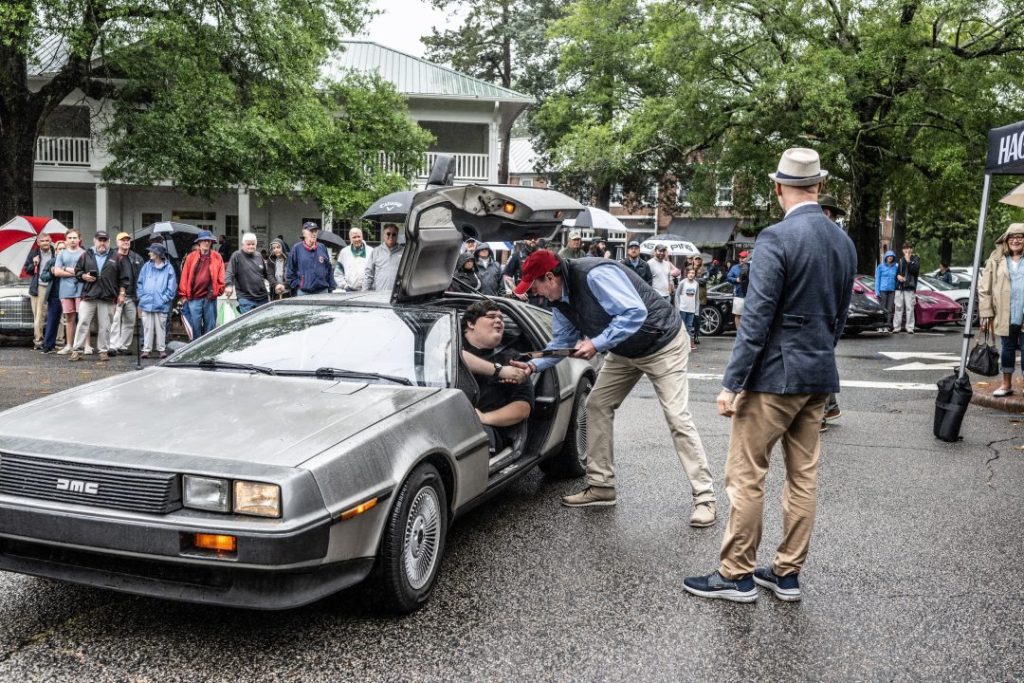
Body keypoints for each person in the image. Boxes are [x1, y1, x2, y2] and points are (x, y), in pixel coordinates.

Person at [683, 147, 856, 603]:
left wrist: (731, 382)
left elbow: (756, 319)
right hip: (819, 372)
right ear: (819, 186)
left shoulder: (775, 238)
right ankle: (786, 573)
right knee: (803, 478)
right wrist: (820, 350)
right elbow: (839, 316)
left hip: (773, 377)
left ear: (778, 187)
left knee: (746, 476)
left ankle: (736, 573)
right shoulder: (844, 241)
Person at [510, 250, 717, 526]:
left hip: (662, 343)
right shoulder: (559, 300)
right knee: (596, 404)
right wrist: (533, 366)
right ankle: (601, 486)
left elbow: (634, 312)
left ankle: (705, 497)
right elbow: (561, 342)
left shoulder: (594, 275)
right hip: (624, 350)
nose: (534, 292)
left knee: (677, 417)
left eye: (534, 285)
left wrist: (596, 343)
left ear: (550, 276)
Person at [460, 301, 534, 453]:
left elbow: (522, 408)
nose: (499, 320)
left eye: (501, 317)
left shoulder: (512, 360)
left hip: (484, 433)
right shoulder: (449, 345)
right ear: (471, 323)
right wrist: (498, 371)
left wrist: (485, 418)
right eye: (491, 316)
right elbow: (450, 355)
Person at [979, 223, 1024, 397]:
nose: (1016, 240)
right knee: (1007, 349)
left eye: (1020, 237)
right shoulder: (996, 260)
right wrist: (986, 313)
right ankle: (1006, 384)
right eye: (1012, 237)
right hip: (1005, 313)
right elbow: (985, 288)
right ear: (1006, 240)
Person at [71, 231, 126, 362]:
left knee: (105, 326)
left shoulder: (117, 256)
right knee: (83, 323)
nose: (102, 243)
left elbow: (123, 278)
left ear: (109, 242)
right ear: (94, 241)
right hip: (89, 295)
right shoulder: (86, 255)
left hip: (107, 296)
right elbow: (77, 271)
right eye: (99, 240)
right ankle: (77, 350)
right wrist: (83, 276)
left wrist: (122, 293)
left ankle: (103, 351)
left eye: (104, 240)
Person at [818, 196, 847, 431]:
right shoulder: (842, 240)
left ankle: (820, 414)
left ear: (825, 213)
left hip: (819, 308)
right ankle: (830, 407)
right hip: (831, 310)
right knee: (824, 357)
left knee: (817, 360)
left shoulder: (825, 239)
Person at [177, 230, 226, 338]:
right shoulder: (191, 257)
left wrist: (218, 290)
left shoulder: (217, 256)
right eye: (203, 241)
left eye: (208, 241)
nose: (206, 243)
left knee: (210, 327)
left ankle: (210, 349)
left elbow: (221, 276)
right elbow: (184, 276)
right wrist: (183, 295)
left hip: (210, 298)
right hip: (194, 298)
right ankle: (195, 350)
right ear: (199, 242)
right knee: (195, 327)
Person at [137, 243, 177, 358]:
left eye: (151, 251)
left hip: (161, 304)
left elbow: (172, 287)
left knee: (161, 327)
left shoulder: (169, 268)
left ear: (158, 254)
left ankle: (161, 350)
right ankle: (146, 350)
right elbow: (140, 283)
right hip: (146, 303)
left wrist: (164, 299)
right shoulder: (146, 266)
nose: (149, 253)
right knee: (147, 327)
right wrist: (142, 296)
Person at [109, 231, 144, 355]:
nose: (126, 242)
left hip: (132, 296)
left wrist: (139, 296)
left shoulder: (137, 258)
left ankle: (123, 347)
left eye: (128, 240)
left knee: (129, 322)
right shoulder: (111, 256)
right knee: (115, 321)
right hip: (115, 295)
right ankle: (112, 346)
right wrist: (117, 293)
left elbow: (141, 278)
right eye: (123, 240)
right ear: (117, 242)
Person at [52, 229, 85, 355]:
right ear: (66, 240)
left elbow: (85, 271)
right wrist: (76, 273)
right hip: (65, 290)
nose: (72, 240)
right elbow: (57, 271)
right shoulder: (62, 254)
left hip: (81, 290)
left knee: (83, 318)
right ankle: (69, 345)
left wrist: (66, 270)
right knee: (69, 318)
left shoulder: (84, 254)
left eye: (74, 237)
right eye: (70, 238)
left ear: (79, 239)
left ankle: (83, 345)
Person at [24, 233, 56, 350]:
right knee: (39, 315)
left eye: (47, 240)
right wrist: (34, 264)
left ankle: (58, 340)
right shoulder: (34, 253)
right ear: (38, 243)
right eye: (42, 241)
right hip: (40, 286)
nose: (45, 243)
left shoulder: (55, 252)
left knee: (57, 314)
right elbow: (27, 270)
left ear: (51, 241)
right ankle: (39, 340)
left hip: (54, 286)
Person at [287, 221, 336, 296]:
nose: (314, 233)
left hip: (323, 291)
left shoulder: (322, 247)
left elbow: (328, 268)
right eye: (311, 231)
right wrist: (298, 284)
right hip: (303, 292)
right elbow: (290, 271)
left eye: (315, 231)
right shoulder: (296, 248)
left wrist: (331, 287)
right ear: (304, 233)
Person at [225, 232, 270, 313]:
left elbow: (266, 274)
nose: (251, 246)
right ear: (243, 245)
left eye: (253, 244)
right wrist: (229, 285)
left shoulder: (259, 255)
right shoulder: (236, 256)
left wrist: (276, 283)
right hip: (246, 298)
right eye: (248, 244)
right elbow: (229, 272)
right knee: (247, 324)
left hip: (262, 298)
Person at [37, 240, 66, 354]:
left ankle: (74, 345)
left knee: (72, 321)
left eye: (64, 248)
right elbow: (43, 276)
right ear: (56, 251)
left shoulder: (72, 261)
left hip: (70, 295)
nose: (62, 251)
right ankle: (48, 345)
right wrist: (51, 273)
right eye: (60, 249)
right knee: (52, 320)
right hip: (55, 295)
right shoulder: (51, 262)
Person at [363, 223, 403, 292]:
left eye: (394, 234)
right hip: (379, 293)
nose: (391, 236)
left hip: (397, 294)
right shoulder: (376, 251)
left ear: (397, 236)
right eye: (388, 233)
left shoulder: (404, 252)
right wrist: (364, 292)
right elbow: (369, 274)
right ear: (383, 235)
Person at [336, 227, 373, 291]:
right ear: (350, 238)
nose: (357, 239)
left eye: (359, 236)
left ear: (362, 237)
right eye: (354, 237)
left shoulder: (371, 251)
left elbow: (377, 271)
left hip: (369, 291)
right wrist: (345, 286)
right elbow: (338, 273)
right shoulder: (344, 252)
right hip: (350, 292)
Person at [894, 242, 919, 333]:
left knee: (909, 308)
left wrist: (908, 261)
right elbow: (897, 273)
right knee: (898, 307)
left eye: (908, 248)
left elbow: (915, 270)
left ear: (911, 249)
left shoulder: (915, 259)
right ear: (902, 250)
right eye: (904, 248)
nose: (906, 250)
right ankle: (896, 327)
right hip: (899, 287)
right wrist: (898, 276)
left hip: (909, 287)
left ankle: (910, 327)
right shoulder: (900, 260)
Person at [875, 250, 898, 332]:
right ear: (886, 257)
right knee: (882, 308)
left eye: (892, 257)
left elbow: (897, 279)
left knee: (890, 308)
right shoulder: (880, 267)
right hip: (882, 290)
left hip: (892, 290)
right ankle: (880, 326)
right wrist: (877, 292)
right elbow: (877, 280)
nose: (890, 258)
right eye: (889, 256)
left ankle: (887, 326)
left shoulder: (896, 267)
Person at [677, 267, 700, 350]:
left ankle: (690, 342)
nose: (691, 274)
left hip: (691, 309)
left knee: (689, 326)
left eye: (693, 273)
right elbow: (677, 295)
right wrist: (678, 307)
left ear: (695, 275)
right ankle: (680, 343)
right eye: (689, 272)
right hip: (682, 308)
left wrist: (696, 310)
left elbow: (697, 298)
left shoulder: (696, 284)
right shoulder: (682, 283)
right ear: (687, 274)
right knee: (682, 326)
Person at [727, 251, 750, 328]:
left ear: (747, 258)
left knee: (749, 315)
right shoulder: (735, 267)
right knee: (738, 315)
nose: (741, 259)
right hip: (738, 294)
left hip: (751, 295)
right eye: (740, 257)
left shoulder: (751, 267)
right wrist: (736, 280)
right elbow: (728, 277)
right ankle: (739, 334)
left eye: (743, 257)